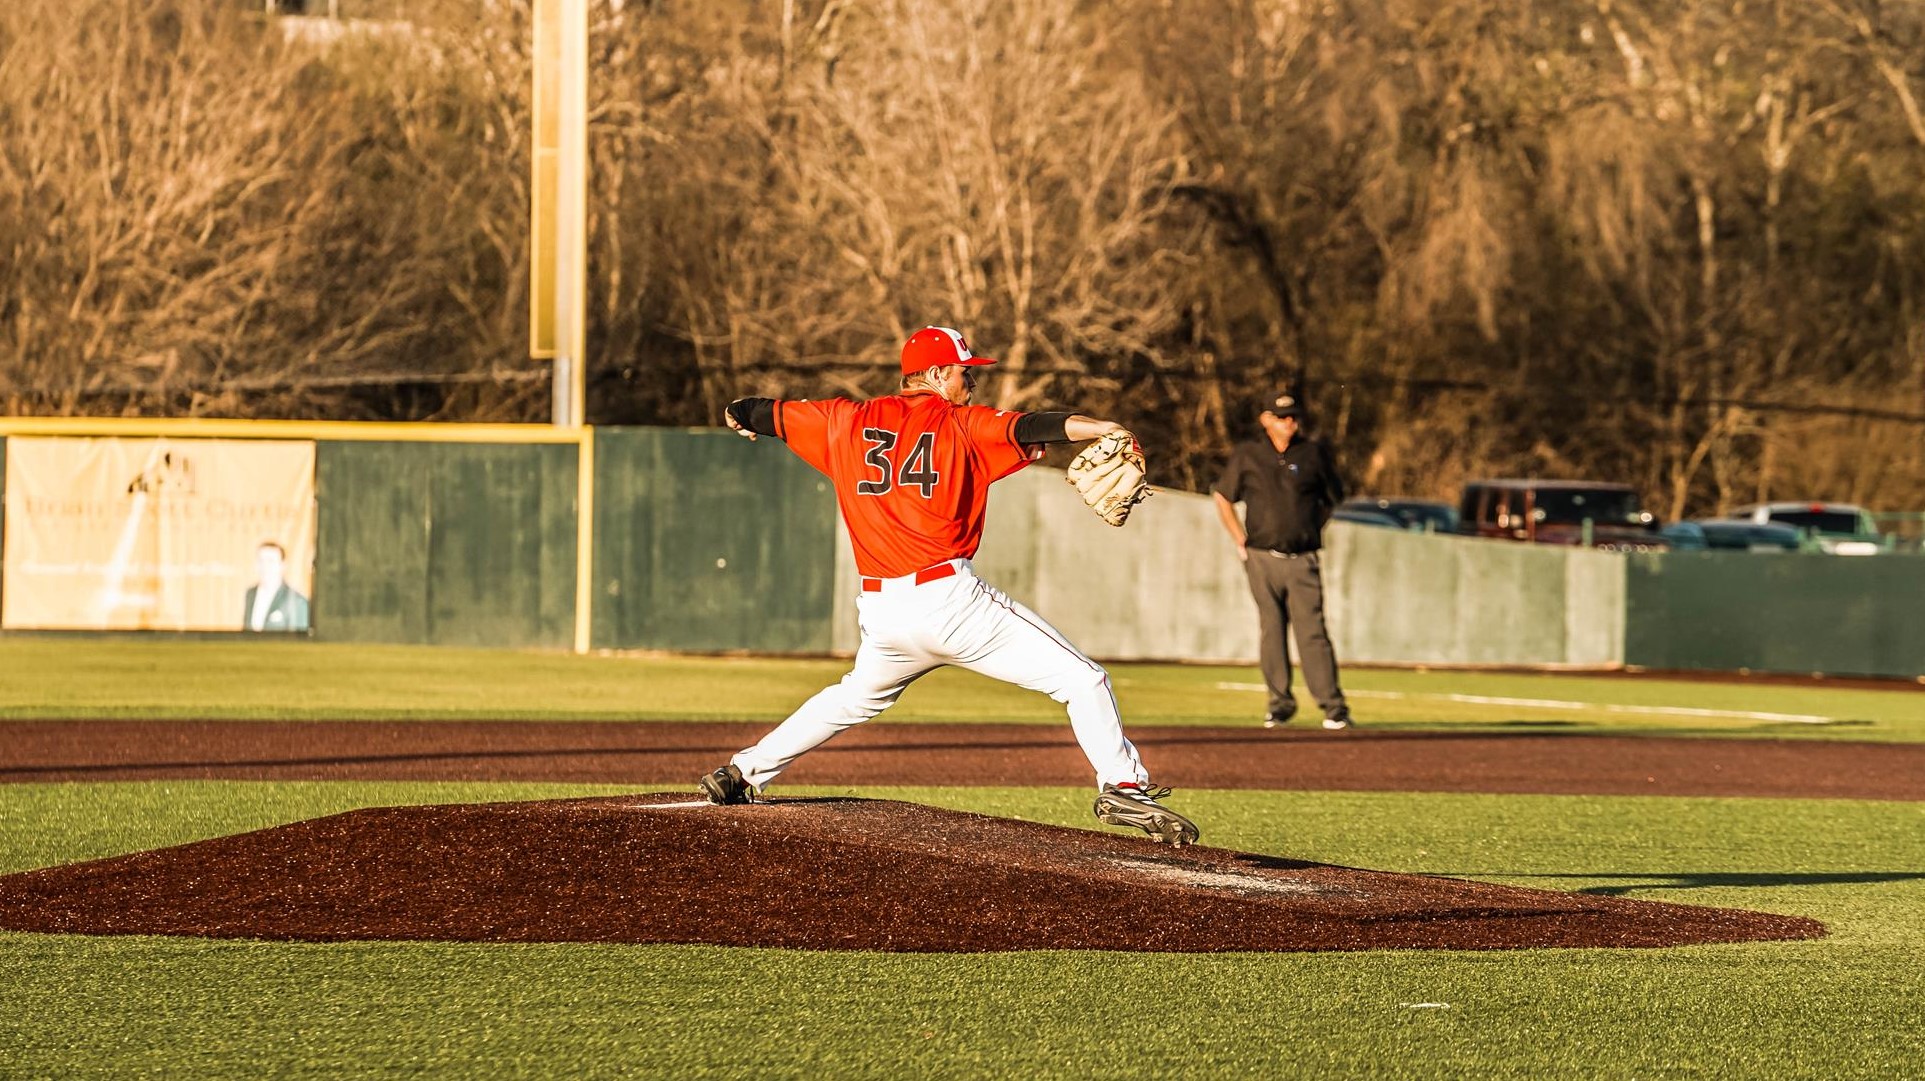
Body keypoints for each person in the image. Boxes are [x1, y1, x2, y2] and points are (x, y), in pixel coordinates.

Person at [696, 326, 1199, 846]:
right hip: (951, 602)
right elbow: (1034, 426)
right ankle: (1123, 784)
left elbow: (756, 409)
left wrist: (742, 418)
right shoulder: (962, 424)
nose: (971, 381)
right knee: (1082, 680)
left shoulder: (841, 419)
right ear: (937, 374)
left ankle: (743, 772)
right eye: (965, 371)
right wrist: (1102, 426)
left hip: (883, 611)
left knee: (852, 698)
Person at [1210, 391, 1353, 730]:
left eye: (1293, 417)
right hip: (1261, 558)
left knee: (1313, 633)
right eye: (1281, 416)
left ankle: (1333, 708)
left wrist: (1309, 528)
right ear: (1266, 419)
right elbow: (1222, 496)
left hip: (1302, 559)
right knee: (1271, 630)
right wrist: (1239, 541)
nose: (1289, 423)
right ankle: (1280, 706)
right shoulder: (1249, 453)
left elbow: (1333, 498)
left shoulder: (1313, 453)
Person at [241, 541, 311, 633]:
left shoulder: (297, 601)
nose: (265, 566)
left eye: (271, 561)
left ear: (282, 566)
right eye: (261, 560)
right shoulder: (250, 594)